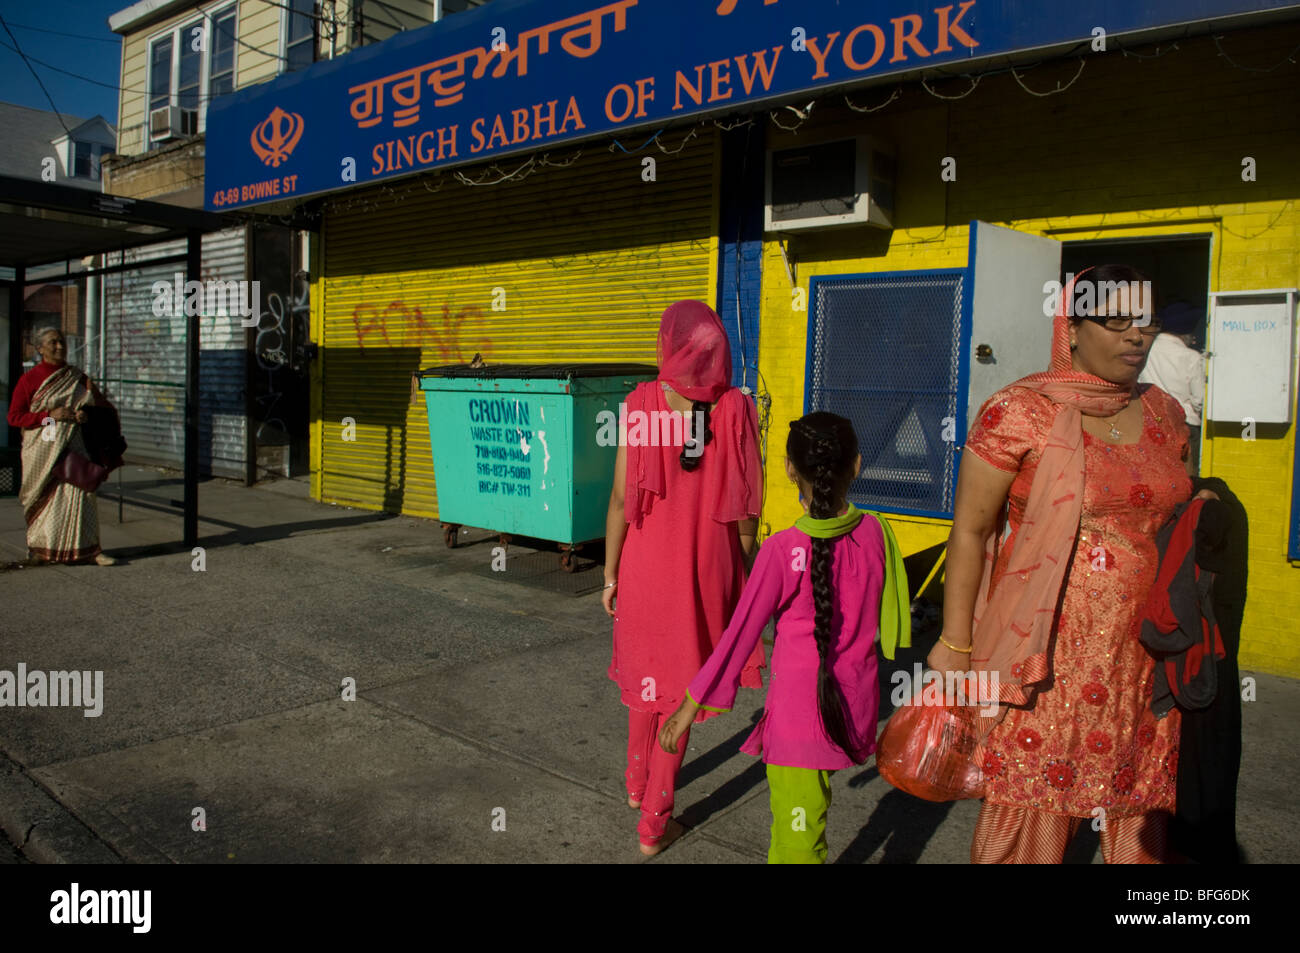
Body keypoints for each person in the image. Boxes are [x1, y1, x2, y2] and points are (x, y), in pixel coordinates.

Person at [932, 264, 1218, 864]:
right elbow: (972, 530)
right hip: (1045, 661)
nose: (1136, 336)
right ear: (1073, 328)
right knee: (1031, 805)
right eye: (1116, 321)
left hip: (1145, 659)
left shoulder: (1165, 413)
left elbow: (1166, 510)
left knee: (1137, 808)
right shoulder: (1019, 411)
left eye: (1146, 321)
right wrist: (955, 644)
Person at [659, 412, 910, 864]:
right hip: (853, 708)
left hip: (800, 721)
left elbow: (738, 637)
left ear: (791, 470)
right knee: (799, 828)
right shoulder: (877, 532)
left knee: (798, 843)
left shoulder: (781, 551)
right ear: (856, 467)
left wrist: (688, 706)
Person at [603, 300, 764, 855]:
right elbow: (747, 511)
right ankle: (654, 822)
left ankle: (636, 785)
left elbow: (622, 498)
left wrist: (609, 575)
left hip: (645, 568)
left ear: (667, 346)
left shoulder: (641, 403)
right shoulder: (735, 409)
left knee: (647, 682)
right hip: (706, 570)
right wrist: (743, 571)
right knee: (684, 689)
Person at [7, 327, 116, 565]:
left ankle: (92, 551)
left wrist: (83, 416)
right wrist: (50, 416)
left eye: (62, 341)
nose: (60, 346)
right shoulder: (29, 380)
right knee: (46, 501)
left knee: (82, 496)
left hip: (73, 447)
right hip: (42, 451)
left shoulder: (77, 377)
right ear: (40, 348)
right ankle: (42, 549)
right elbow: (15, 417)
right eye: (53, 342)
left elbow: (99, 408)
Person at [1138, 301, 1207, 471]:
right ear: (1186, 333)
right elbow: (1199, 400)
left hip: (1151, 419)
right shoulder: (1191, 357)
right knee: (1186, 475)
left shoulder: (1146, 349)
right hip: (1185, 423)